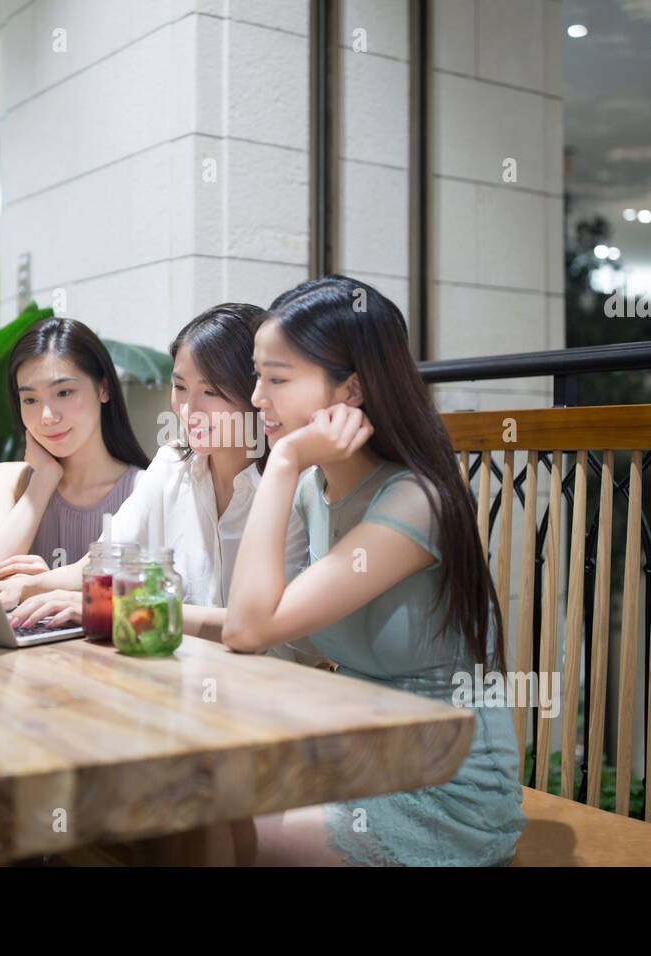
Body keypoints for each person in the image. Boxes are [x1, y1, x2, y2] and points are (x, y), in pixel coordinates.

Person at [222, 275, 526, 866]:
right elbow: (269, 624)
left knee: (237, 835)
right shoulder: (319, 487)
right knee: (200, 808)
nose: (257, 397)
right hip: (354, 749)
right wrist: (136, 614)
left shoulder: (415, 500)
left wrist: (281, 462)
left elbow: (248, 629)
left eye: (277, 379)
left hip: (443, 782)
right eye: (258, 376)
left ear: (352, 388)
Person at [0, 303, 319, 662]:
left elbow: (264, 631)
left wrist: (111, 607)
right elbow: (105, 559)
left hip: (273, 693)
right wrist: (25, 586)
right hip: (180, 684)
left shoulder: (292, 482)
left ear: (254, 392)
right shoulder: (172, 465)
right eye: (180, 387)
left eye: (210, 392)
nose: (188, 409)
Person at [0, 317, 149, 567]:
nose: (47, 417)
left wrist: (46, 584)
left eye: (63, 393)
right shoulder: (7, 480)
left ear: (103, 389)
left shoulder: (143, 489)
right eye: (30, 400)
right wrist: (45, 476)